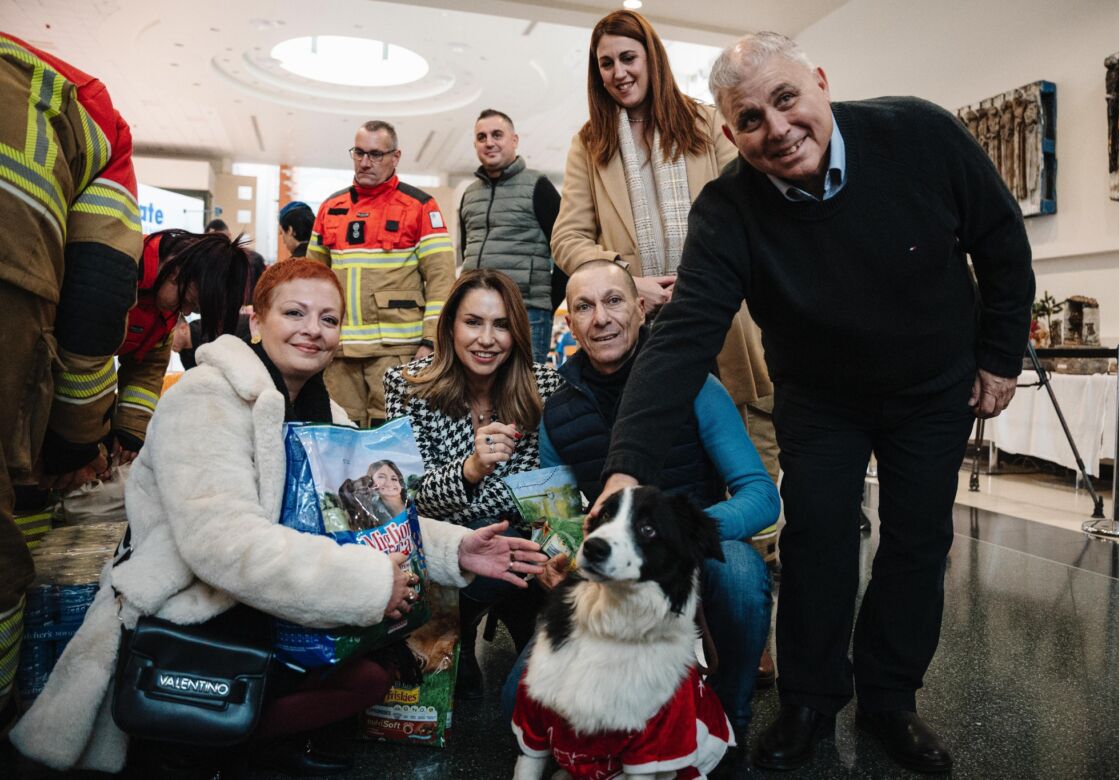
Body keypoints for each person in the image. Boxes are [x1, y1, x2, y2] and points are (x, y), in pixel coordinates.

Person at [595, 32, 1036, 774]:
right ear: (730, 133)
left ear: (821, 83)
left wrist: (999, 355)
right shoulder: (728, 208)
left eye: (786, 98)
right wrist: (625, 467)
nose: (778, 128)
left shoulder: (919, 133)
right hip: (820, 396)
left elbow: (1000, 242)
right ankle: (808, 700)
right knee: (817, 539)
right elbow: (682, 339)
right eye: (751, 119)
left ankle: (891, 698)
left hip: (932, 386)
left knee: (917, 540)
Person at [8, 259, 546, 776]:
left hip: (268, 601)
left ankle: (250, 738)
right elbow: (223, 545)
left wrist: (457, 549)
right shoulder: (206, 398)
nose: (313, 330)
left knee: (381, 668)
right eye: (294, 313)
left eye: (328, 318)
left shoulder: (326, 413)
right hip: (193, 607)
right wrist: (365, 583)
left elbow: (366, 515)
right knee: (360, 660)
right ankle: (188, 741)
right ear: (257, 321)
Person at [551, 4, 780, 696]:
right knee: (652, 447)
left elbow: (757, 201)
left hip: (726, 318)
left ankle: (750, 628)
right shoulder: (590, 145)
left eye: (628, 57)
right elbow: (568, 238)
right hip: (647, 330)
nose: (618, 72)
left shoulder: (706, 124)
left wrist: (711, 274)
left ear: (651, 55)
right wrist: (627, 279)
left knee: (750, 457)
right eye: (605, 64)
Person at [537, 260, 778, 773]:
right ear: (571, 324)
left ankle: (730, 712)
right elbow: (555, 520)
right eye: (585, 307)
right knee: (518, 695)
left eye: (614, 300)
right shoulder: (557, 413)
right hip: (612, 574)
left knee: (740, 575)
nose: (601, 318)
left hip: (696, 551)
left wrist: (684, 536)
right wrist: (558, 557)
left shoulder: (696, 386)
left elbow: (761, 495)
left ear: (641, 309)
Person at [0, 33, 141, 724]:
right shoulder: (78, 100)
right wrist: (72, 443)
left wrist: (126, 432)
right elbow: (94, 305)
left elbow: (142, 368)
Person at [384, 269, 562, 700]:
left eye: (500, 325)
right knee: (487, 535)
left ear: (516, 333)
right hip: (447, 550)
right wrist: (471, 469)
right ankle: (462, 627)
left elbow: (550, 488)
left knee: (522, 548)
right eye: (473, 322)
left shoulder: (545, 385)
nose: (486, 339)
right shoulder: (408, 386)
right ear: (450, 327)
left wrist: (470, 494)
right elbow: (407, 498)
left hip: (526, 546)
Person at [309, 120, 456, 427]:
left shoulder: (420, 207)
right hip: (340, 353)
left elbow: (442, 281)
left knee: (393, 436)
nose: (365, 162)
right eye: (359, 152)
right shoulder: (330, 208)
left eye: (376, 154)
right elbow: (311, 280)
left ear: (395, 156)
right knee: (341, 431)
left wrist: (431, 342)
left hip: (399, 352)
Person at [110, 229, 250, 468]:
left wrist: (131, 433)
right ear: (176, 270)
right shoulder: (118, 264)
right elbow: (87, 357)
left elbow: (147, 371)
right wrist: (83, 439)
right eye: (188, 302)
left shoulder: (164, 312)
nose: (184, 312)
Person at [459, 108, 562, 357]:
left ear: (514, 140)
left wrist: (548, 304)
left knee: (525, 381)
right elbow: (466, 250)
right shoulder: (469, 194)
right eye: (482, 137)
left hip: (527, 312)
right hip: (477, 312)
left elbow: (565, 250)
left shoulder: (538, 186)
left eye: (497, 135)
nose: (489, 142)